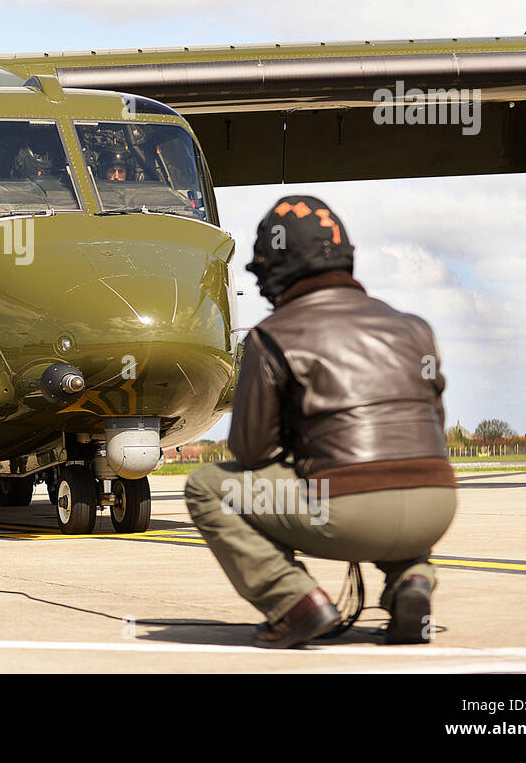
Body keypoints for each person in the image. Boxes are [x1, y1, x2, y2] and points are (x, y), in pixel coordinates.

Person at [184, 195, 457, 649]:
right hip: (436, 507)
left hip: (351, 513)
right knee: (396, 469)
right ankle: (411, 579)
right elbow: (433, 429)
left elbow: (252, 453)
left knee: (208, 486)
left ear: (277, 269)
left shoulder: (270, 337)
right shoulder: (415, 327)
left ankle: (296, 603)